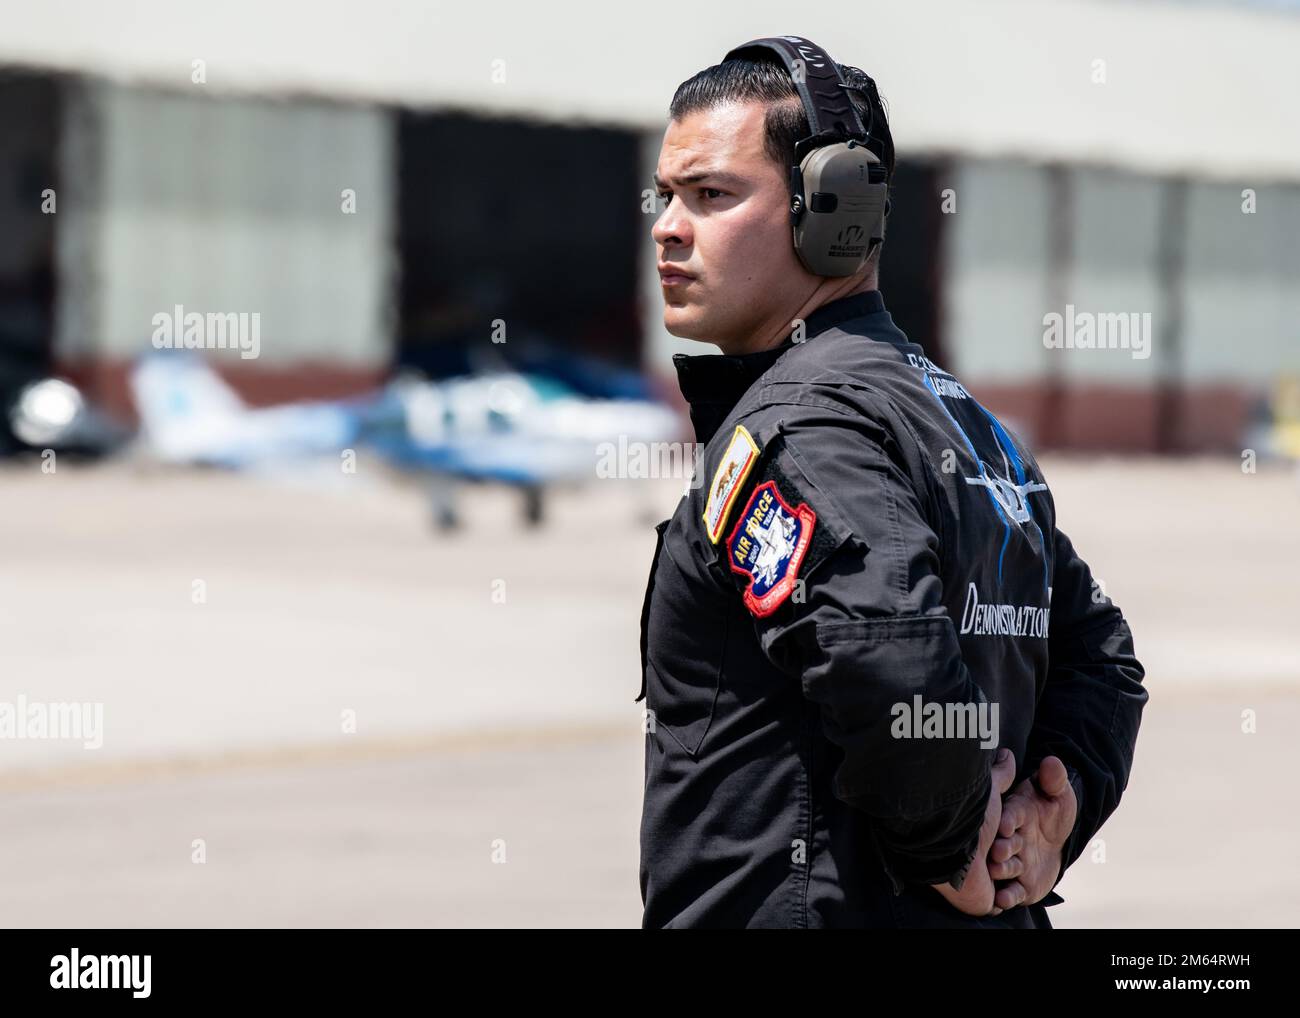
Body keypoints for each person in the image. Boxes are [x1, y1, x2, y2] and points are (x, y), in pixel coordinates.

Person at [636, 36, 1148, 928]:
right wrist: (1051, 812)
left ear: (833, 210)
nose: (668, 227)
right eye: (667, 195)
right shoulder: (967, 422)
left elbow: (888, 651)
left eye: (713, 195)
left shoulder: (802, 425)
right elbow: (1101, 656)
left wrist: (950, 849)